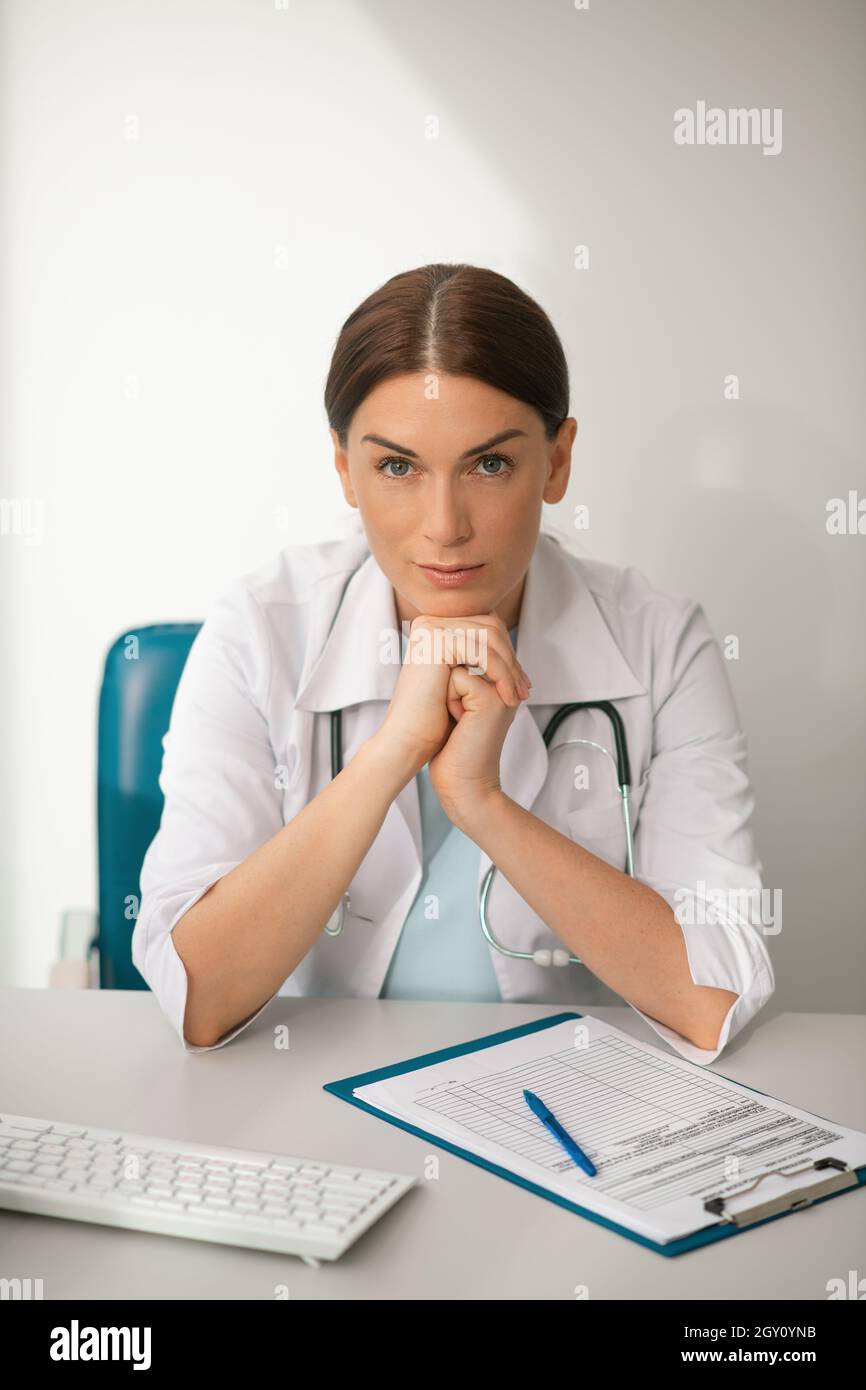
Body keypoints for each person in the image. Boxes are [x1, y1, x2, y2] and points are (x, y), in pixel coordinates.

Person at [132, 262, 774, 1066]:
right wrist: (393, 752)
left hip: (572, 1109)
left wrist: (479, 800)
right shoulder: (260, 630)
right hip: (309, 1100)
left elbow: (713, 999)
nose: (444, 527)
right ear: (344, 470)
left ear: (559, 460)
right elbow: (199, 997)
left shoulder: (663, 644)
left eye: (490, 465)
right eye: (397, 467)